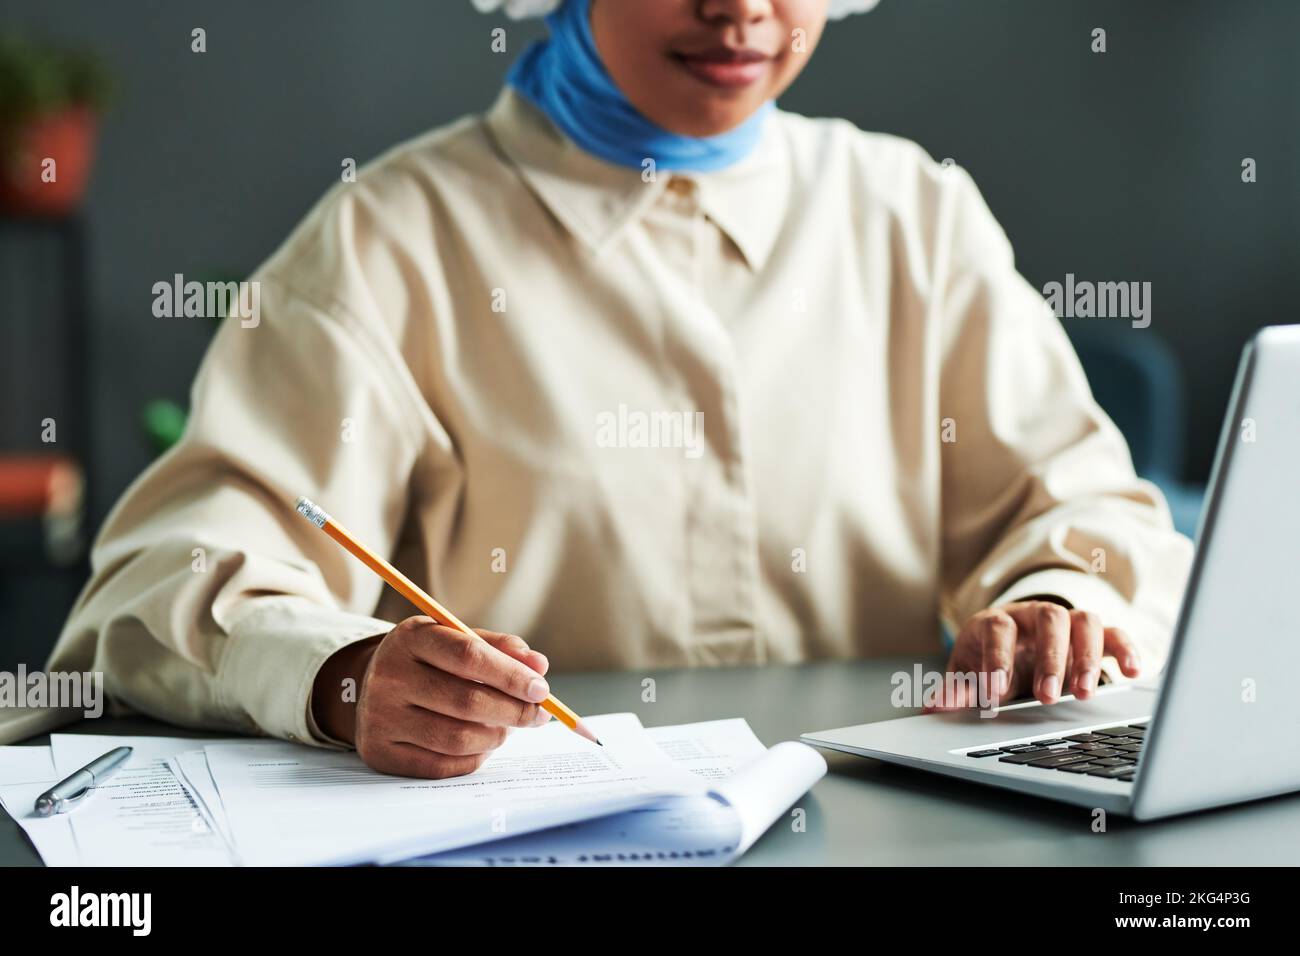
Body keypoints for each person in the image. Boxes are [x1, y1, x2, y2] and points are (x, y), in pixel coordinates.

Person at [49, 0, 1192, 778]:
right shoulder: (389, 238)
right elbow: (165, 580)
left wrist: (1059, 599)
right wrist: (344, 677)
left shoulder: (912, 211)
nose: (739, 9)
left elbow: (1079, 508)